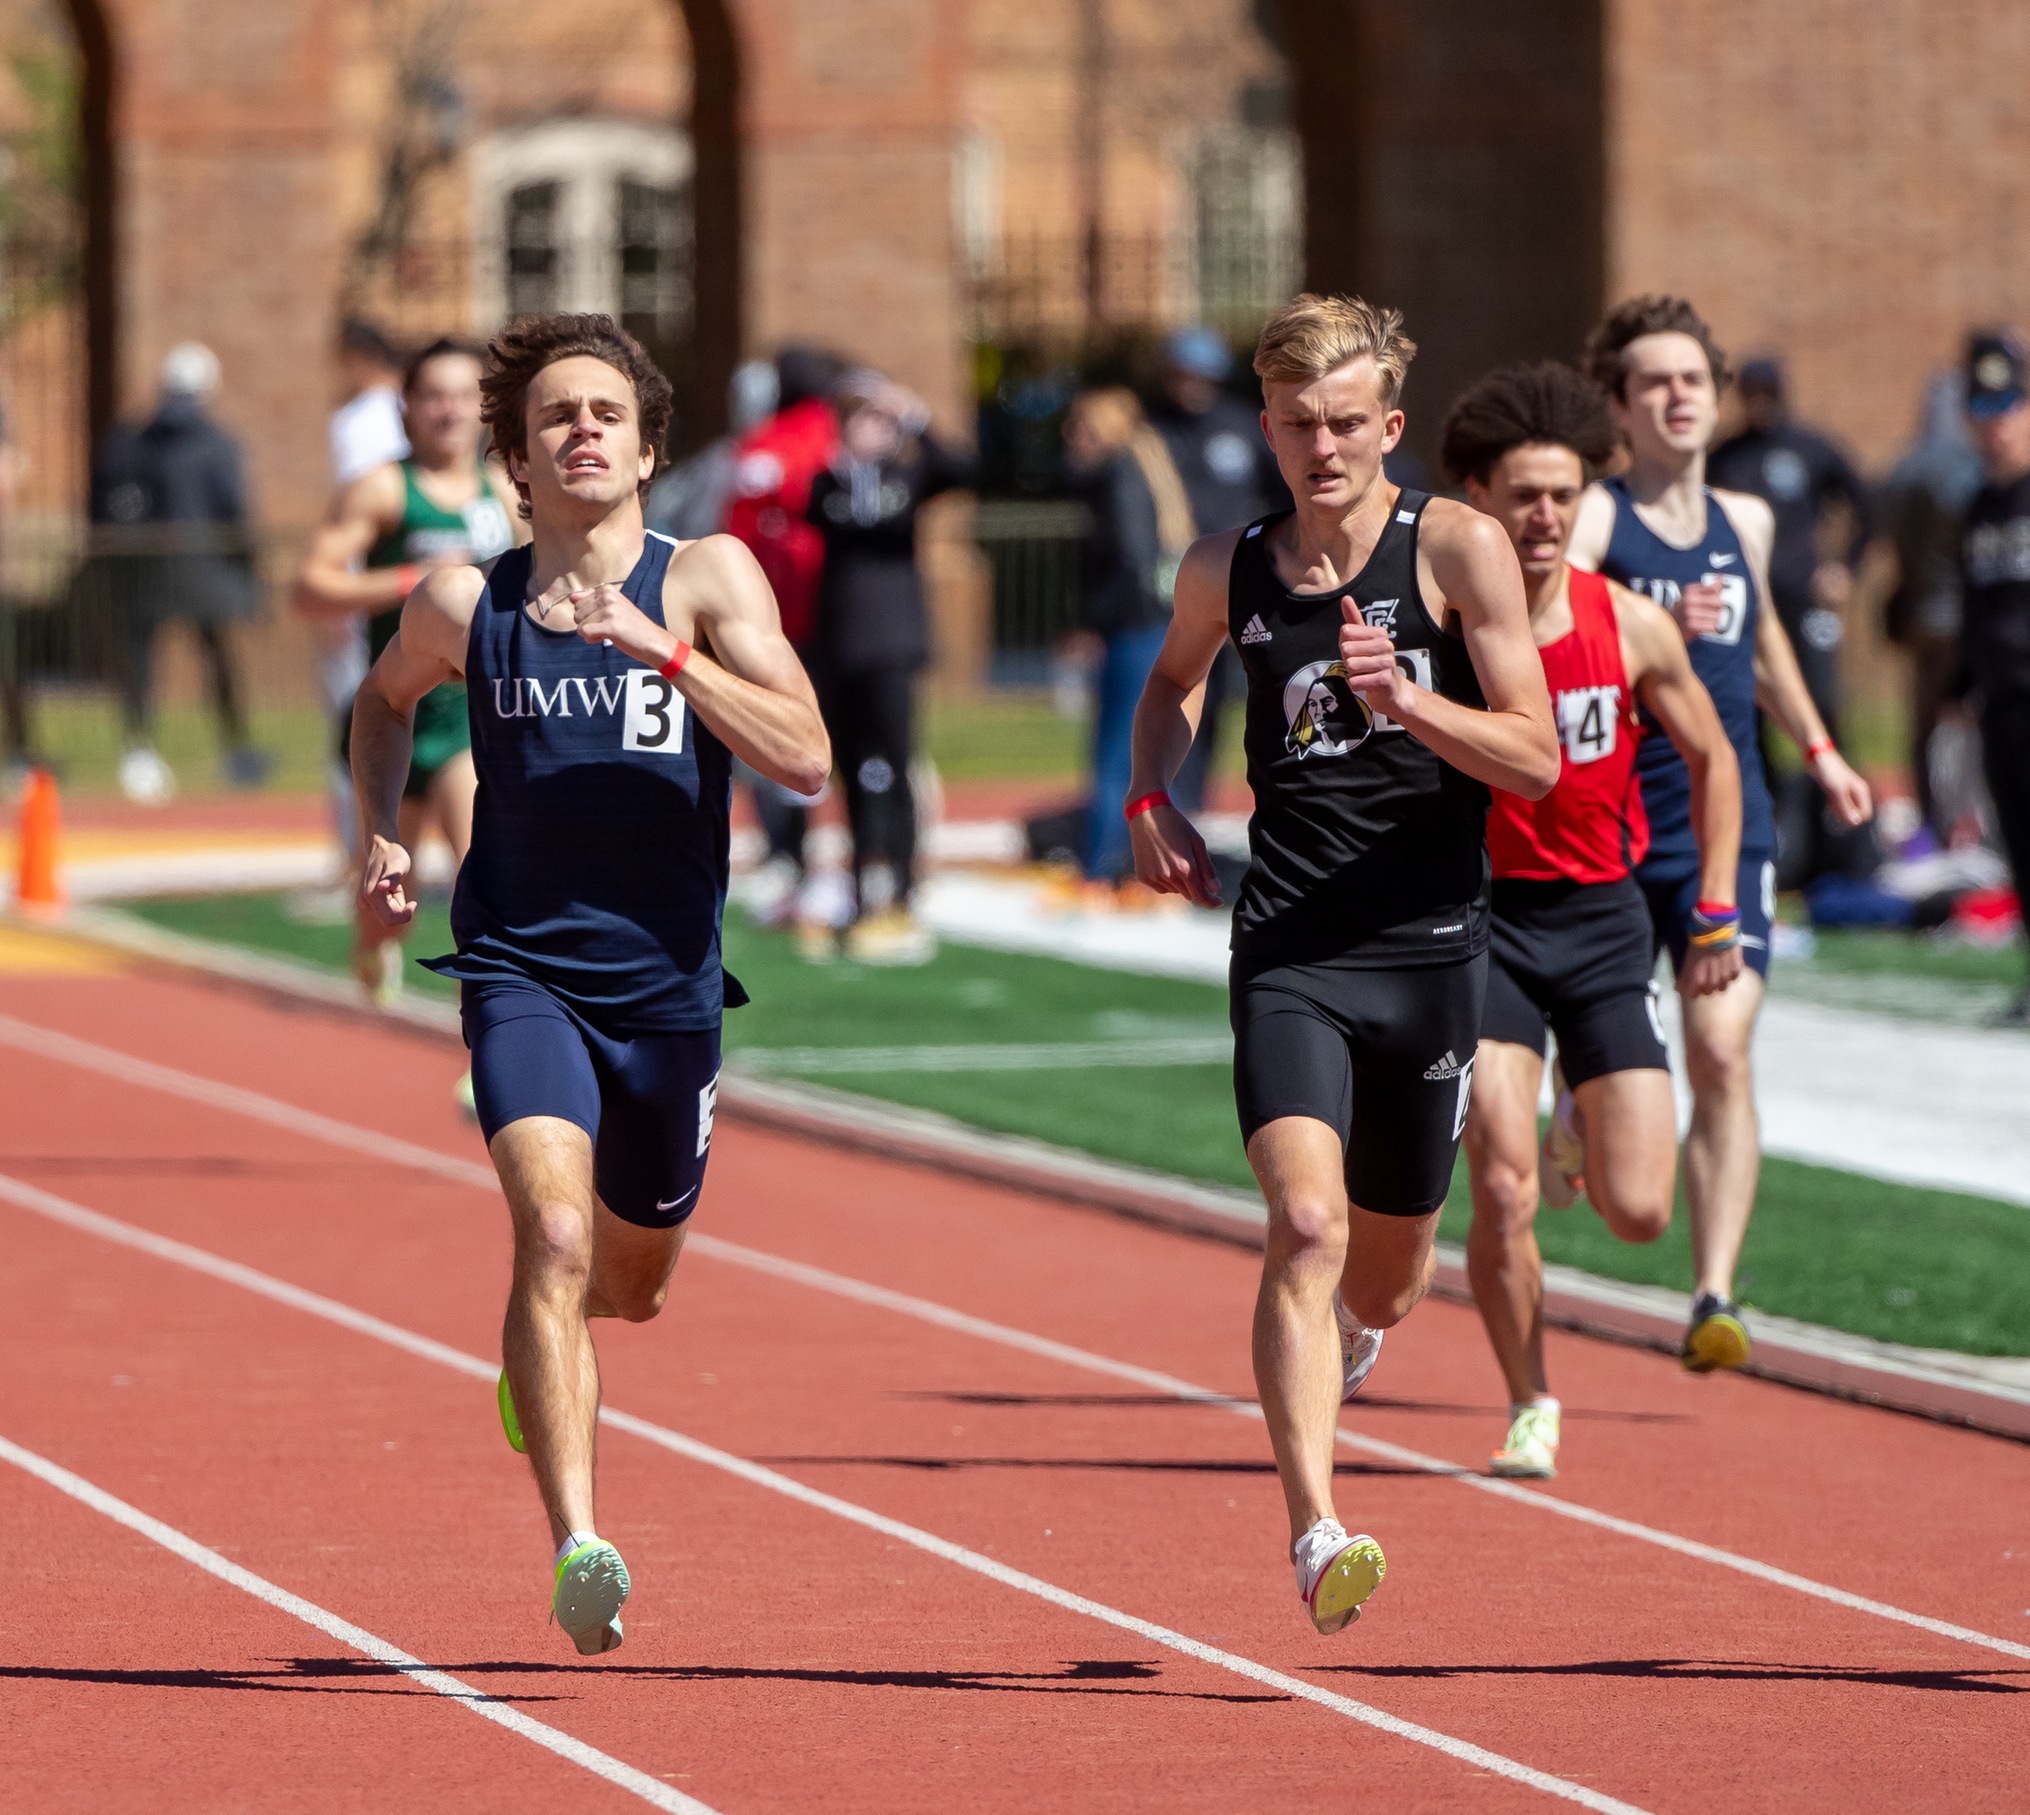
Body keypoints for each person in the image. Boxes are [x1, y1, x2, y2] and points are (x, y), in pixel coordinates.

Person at [351, 312, 828, 1655]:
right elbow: (381, 705)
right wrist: (382, 830)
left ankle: (540, 1357)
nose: (582, 432)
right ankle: (580, 1539)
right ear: (516, 454)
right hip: (520, 971)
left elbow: (806, 755)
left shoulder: (709, 579)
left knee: (631, 1285)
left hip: (669, 990)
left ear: (645, 443)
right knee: (551, 1243)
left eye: (605, 413)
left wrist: (663, 651)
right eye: (555, 414)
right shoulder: (466, 602)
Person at [1126, 295, 1558, 1632]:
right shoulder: (1228, 567)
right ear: (1267, 427)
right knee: (1302, 1224)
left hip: (1430, 953)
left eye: (1344, 424)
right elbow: (1170, 685)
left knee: (1382, 1273)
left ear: (1387, 426)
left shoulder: (1460, 551)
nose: (1322, 447)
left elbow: (1536, 758)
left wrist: (1410, 701)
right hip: (1293, 946)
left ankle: (1360, 1334)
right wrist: (1154, 792)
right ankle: (1315, 1524)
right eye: (1295, 423)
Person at [1442, 362, 1744, 1480]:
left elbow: (1712, 756)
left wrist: (1711, 906)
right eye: (1521, 494)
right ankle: (1529, 1399)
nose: (1542, 516)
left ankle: (1578, 1123)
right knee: (1505, 1181)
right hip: (1485, 926)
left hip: (1603, 921)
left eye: (1561, 496)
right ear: (1476, 495)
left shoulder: (1625, 623)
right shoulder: (1448, 631)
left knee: (1635, 1213)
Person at [1567, 296, 1873, 1371]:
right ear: (1618, 403)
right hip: (1607, 827)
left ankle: (1711, 1295)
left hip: (1722, 826)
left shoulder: (1746, 520)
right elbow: (1543, 633)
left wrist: (1821, 748)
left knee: (1720, 1048)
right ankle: (1572, 1122)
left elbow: (1768, 637)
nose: (1677, 395)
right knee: (1612, 1086)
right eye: (1651, 381)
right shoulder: (1596, 522)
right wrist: (1642, 628)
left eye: (1691, 377)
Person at [296, 338, 519, 1004]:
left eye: (462, 395)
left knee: (487, 874)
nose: (449, 410)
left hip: (466, 723)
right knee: (390, 899)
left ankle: (496, 1033)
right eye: (434, 395)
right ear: (407, 408)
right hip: (392, 713)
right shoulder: (384, 489)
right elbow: (310, 587)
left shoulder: (504, 490)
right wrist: (411, 581)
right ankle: (372, 948)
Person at [805, 371, 975, 962]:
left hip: (895, 644)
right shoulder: (827, 482)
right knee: (853, 772)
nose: (869, 431)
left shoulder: (910, 476)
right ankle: (858, 889)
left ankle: (902, 888)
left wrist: (916, 419)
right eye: (860, 421)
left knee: (899, 766)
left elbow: (963, 469)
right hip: (843, 645)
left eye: (879, 421)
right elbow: (834, 522)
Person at [1708, 358, 1874, 886]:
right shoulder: (1726, 457)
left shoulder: (1809, 447)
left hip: (1805, 606)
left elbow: (1866, 505)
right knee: (1747, 716)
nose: (1759, 403)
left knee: (1820, 706)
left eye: (1767, 393)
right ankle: (1780, 839)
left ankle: (1844, 842)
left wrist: (1843, 566)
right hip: (1747, 609)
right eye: (1750, 393)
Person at [92, 343, 265, 802]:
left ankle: (237, 748)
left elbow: (234, 512)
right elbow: (113, 503)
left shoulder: (215, 444)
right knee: (142, 665)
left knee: (218, 662)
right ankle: (140, 747)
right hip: (150, 578)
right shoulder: (133, 442)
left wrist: (245, 577)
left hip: (201, 575)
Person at [1149, 326, 1292, 812]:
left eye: (1201, 376)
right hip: (1173, 585)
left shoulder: (1242, 426)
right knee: (1180, 687)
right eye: (1183, 375)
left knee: (1254, 689)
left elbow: (1282, 493)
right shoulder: (1152, 433)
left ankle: (1232, 796)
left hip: (1243, 578)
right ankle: (1174, 798)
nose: (1192, 385)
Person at [1064, 385, 1198, 900]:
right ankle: (1138, 868)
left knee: (1115, 752)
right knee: (1149, 749)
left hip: (1133, 625)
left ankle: (1100, 868)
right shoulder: (1150, 466)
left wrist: (1093, 625)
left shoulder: (1120, 472)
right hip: (1158, 622)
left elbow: (1129, 557)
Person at [313, 321, 413, 869]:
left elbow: (357, 509)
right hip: (411, 593)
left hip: (370, 590)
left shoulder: (357, 422)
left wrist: (342, 593)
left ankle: (358, 852)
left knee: (356, 723)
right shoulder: (407, 416)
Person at [1956, 330, 2030, 1025]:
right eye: (1983, 405)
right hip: (2002, 705)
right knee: (2019, 842)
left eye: (2009, 402)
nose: (1996, 421)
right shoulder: (1978, 505)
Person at [1880, 375, 1983, 841]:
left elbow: (1886, 535)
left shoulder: (1904, 470)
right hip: (1961, 614)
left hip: (1920, 616)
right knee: (1963, 722)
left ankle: (1934, 819)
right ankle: (1963, 823)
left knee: (1925, 722)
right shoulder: (1971, 470)